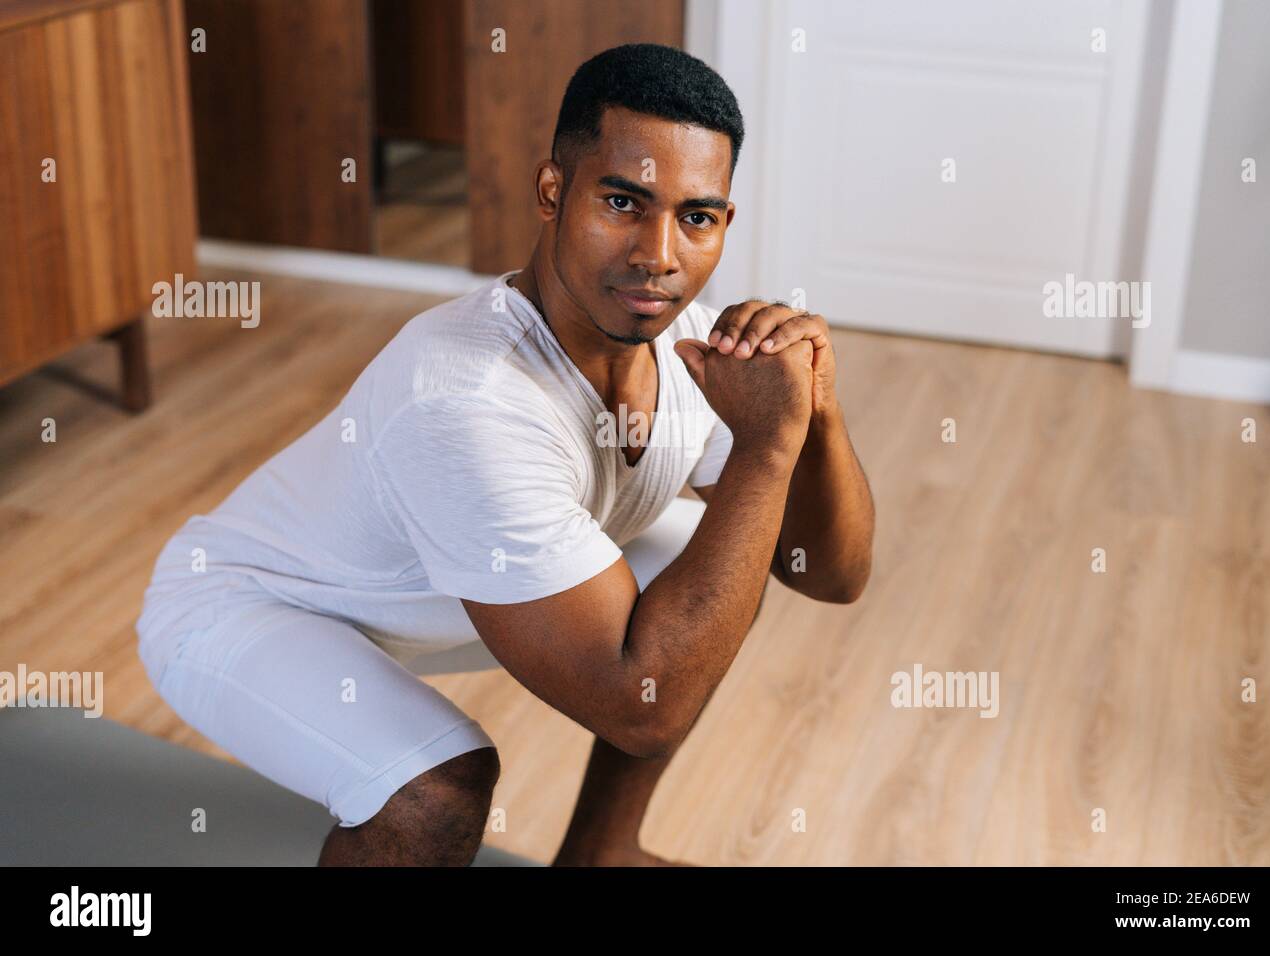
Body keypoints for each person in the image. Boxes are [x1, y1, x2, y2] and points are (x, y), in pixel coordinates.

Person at [135, 42, 875, 866]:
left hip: (431, 589)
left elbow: (829, 575)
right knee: (435, 792)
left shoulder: (693, 343)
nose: (660, 254)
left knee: (698, 559)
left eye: (694, 216)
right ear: (552, 191)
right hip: (246, 608)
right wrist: (768, 453)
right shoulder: (465, 398)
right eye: (624, 202)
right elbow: (640, 707)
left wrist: (819, 417)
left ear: (723, 224)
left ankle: (602, 853)